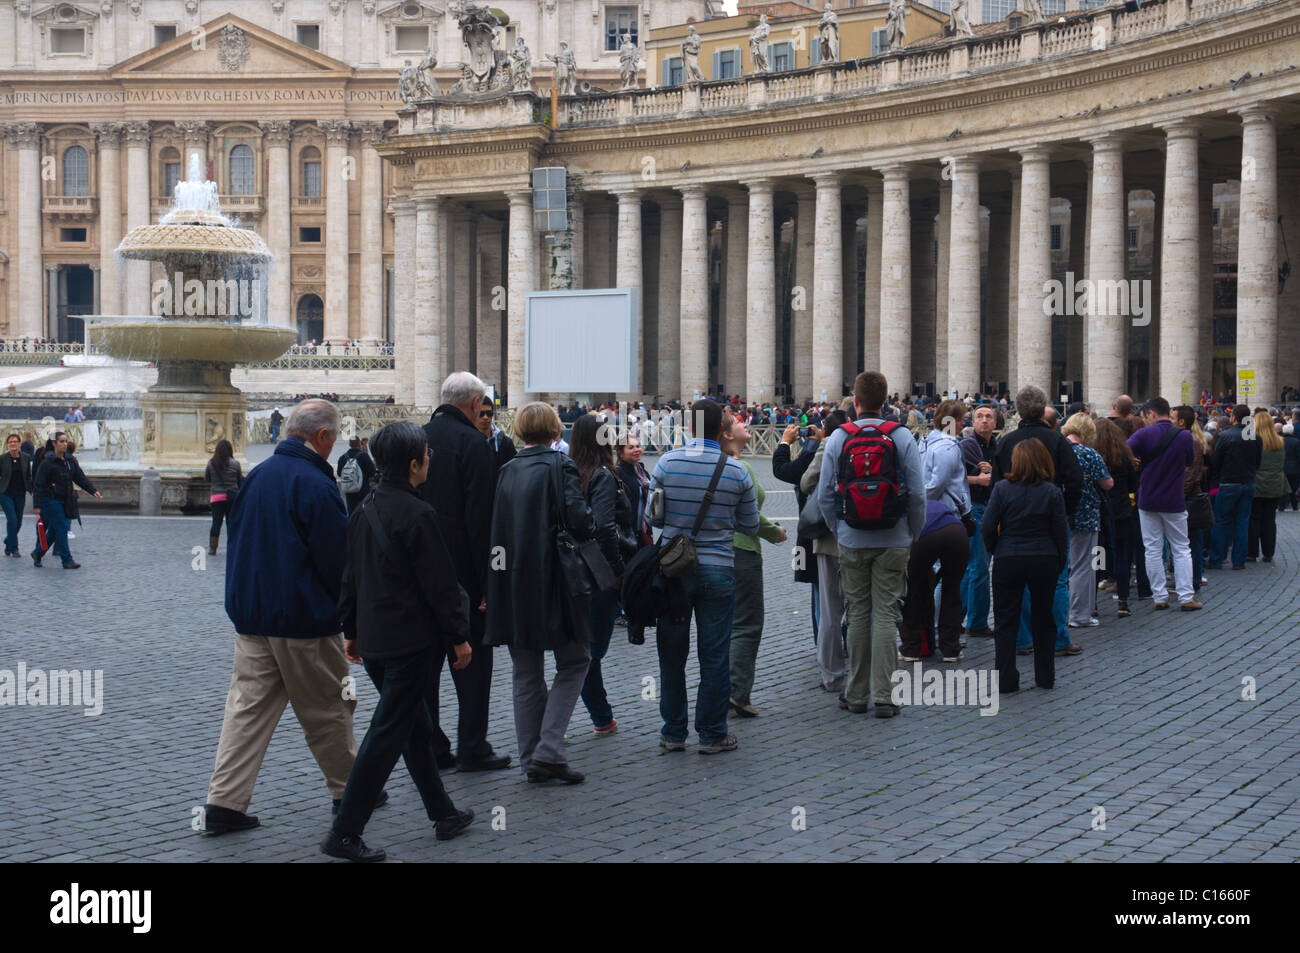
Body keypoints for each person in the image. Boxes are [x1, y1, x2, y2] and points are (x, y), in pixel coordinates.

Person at [202, 400, 366, 836]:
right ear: (323, 437)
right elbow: (337, 562)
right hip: (303, 620)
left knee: (246, 711)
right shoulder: (315, 482)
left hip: (253, 619)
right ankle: (349, 791)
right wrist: (353, 622)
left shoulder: (257, 476)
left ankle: (224, 802)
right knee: (330, 708)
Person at [324, 422, 475, 863]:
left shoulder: (364, 508)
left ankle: (443, 812)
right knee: (388, 733)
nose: (430, 460)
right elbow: (441, 585)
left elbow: (348, 577)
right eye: (427, 455)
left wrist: (351, 630)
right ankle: (345, 831)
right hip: (410, 642)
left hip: (374, 640)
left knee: (415, 726)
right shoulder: (419, 514)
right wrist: (459, 638)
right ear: (414, 464)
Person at [485, 402, 596, 783]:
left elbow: (496, 531)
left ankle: (531, 757)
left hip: (514, 581)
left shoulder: (506, 470)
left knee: (526, 672)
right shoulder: (559, 465)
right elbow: (579, 520)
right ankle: (549, 750)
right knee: (576, 659)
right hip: (556, 580)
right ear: (554, 431)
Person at [649, 398, 759, 753]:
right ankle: (712, 733)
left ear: (690, 427)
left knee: (672, 652)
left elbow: (654, 519)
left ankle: (673, 732)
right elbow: (750, 525)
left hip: (674, 571)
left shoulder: (666, 462)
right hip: (718, 568)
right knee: (715, 653)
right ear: (719, 429)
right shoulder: (738, 471)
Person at [817, 371, 926, 718]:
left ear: (856, 401)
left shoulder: (838, 437)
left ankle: (855, 693)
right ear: (886, 402)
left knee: (857, 613)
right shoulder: (901, 436)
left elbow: (823, 495)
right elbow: (919, 494)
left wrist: (840, 529)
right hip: (894, 537)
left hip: (851, 537)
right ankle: (884, 695)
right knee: (886, 614)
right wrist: (913, 533)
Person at [419, 371, 511, 773]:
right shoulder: (475, 444)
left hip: (420, 574)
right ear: (476, 404)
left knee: (426, 668)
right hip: (466, 579)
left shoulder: (416, 437)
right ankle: (472, 745)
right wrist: (492, 579)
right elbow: (484, 521)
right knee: (473, 665)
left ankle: (434, 748)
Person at [995, 387, 1084, 658]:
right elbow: (1075, 479)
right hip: (1050, 518)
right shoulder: (1057, 440)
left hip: (1013, 522)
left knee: (1018, 583)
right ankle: (1058, 639)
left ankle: (1023, 641)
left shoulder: (1007, 442)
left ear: (1018, 408)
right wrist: (1066, 510)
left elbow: (996, 484)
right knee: (1057, 581)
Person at [983, 438, 1069, 692]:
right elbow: (1060, 531)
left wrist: (996, 548)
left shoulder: (1001, 488)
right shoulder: (1052, 491)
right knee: (1044, 618)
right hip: (1044, 557)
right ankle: (1045, 676)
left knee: (1005, 620)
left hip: (1009, 556)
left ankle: (1006, 679)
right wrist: (1059, 559)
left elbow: (987, 525)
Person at [722, 411, 787, 718]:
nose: (744, 423)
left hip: (714, 553)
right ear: (726, 435)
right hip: (742, 551)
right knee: (747, 624)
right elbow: (747, 517)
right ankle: (738, 693)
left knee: (719, 625)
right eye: (738, 422)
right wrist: (775, 532)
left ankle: (717, 690)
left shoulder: (713, 463)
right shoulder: (740, 467)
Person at [570, 413, 631, 735]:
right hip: (598, 575)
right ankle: (578, 715)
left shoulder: (567, 472)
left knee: (583, 651)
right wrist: (617, 572)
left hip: (571, 572)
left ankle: (601, 715)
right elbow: (605, 528)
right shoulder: (604, 476)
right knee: (591, 653)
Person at [1127, 396, 1202, 610]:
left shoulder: (1144, 433)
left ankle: (1159, 596)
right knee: (1181, 547)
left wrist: (1135, 461)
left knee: (1152, 549)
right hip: (1174, 499)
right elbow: (1188, 461)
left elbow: (1124, 451)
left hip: (1148, 498)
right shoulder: (1185, 436)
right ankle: (1186, 597)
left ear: (1151, 413)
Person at [800, 408, 849, 692]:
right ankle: (867, 678)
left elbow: (807, 482)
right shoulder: (893, 437)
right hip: (869, 537)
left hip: (831, 539)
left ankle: (832, 676)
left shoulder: (830, 444)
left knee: (830, 610)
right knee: (865, 610)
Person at [899, 499, 971, 663]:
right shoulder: (934, 504)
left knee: (911, 590)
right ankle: (951, 649)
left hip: (924, 537)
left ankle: (911, 649)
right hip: (957, 533)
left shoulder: (903, 509)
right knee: (952, 591)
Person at [1061, 414, 1113, 628]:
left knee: (1063, 566)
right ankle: (1080, 614)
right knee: (1084, 565)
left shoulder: (1058, 450)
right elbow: (1107, 483)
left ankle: (1061, 610)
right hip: (1086, 514)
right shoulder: (1090, 453)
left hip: (1060, 514)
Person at [30, 431, 100, 569]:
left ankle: (37, 553)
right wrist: (37, 506)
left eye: (66, 441)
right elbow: (38, 484)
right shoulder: (47, 462)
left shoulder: (70, 460)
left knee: (55, 531)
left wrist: (93, 490)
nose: (64, 444)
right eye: (61, 441)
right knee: (61, 527)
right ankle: (67, 560)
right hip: (49, 499)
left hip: (66, 499)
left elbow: (79, 477)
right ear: (54, 444)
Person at [1095, 417, 1141, 616]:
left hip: (1099, 512)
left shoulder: (1093, 456)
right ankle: (1123, 601)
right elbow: (1133, 485)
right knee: (1123, 556)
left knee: (1097, 558)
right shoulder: (1124, 456)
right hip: (1122, 510)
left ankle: (1092, 603)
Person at [1207, 403, 1261, 570]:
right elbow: (1258, 462)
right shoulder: (1255, 437)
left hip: (1229, 483)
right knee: (1242, 522)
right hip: (1249, 483)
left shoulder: (1225, 436)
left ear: (1234, 418)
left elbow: (1216, 462)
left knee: (1222, 521)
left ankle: (1216, 558)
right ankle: (1239, 561)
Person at [960, 405, 998, 636]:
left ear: (995, 423)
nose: (984, 421)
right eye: (980, 417)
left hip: (993, 509)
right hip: (975, 508)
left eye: (989, 417)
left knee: (976, 567)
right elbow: (954, 478)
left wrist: (994, 471)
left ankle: (966, 617)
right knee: (978, 567)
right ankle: (976, 622)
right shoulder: (966, 446)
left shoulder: (997, 447)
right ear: (972, 422)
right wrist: (978, 479)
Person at [1173, 407, 1209, 596]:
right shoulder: (1187, 439)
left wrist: (1178, 493)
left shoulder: (1190, 441)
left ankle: (1193, 579)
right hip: (1185, 495)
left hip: (1188, 497)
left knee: (1191, 541)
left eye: (1172, 417)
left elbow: (1190, 474)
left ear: (1181, 422)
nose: (1169, 420)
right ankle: (1190, 578)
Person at [1247, 412, 1286, 562]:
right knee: (1270, 519)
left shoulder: (1253, 441)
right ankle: (1268, 552)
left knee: (1254, 518)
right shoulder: (1280, 442)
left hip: (1257, 483)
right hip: (1275, 484)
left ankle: (1252, 552)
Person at [205, 439, 242, 556]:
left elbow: (207, 479)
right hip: (232, 498)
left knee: (216, 523)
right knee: (231, 523)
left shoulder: (211, 463)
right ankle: (233, 548)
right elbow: (239, 481)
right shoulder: (235, 463)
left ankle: (213, 548)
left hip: (217, 497)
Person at [1, 433, 33, 558]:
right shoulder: (2, 458)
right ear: (7, 444)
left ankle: (8, 541)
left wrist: (31, 490)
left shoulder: (26, 457)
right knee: (12, 519)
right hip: (5, 493)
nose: (13, 443)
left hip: (20, 493)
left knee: (18, 522)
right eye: (10, 442)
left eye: (15, 441)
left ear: (19, 443)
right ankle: (14, 548)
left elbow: (28, 476)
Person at [336, 437, 376, 515]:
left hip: (349, 490)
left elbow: (338, 473)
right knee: (365, 512)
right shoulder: (364, 456)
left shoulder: (343, 458)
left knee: (352, 513)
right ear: (359, 444)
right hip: (363, 489)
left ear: (350, 444)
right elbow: (372, 472)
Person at [477, 396, 517, 475]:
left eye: (489, 413)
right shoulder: (466, 441)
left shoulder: (505, 442)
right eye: (481, 414)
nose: (485, 417)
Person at [1282, 422, 1300, 512]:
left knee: (1282, 487)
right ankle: (1294, 505)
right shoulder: (1296, 442)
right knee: (1293, 487)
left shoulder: (1280, 441)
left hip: (1283, 467)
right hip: (1294, 468)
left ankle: (1281, 505)